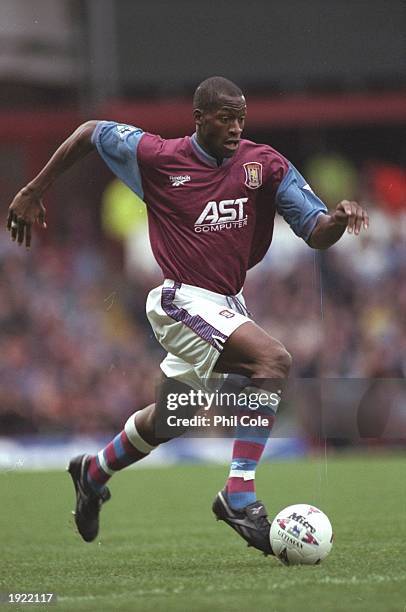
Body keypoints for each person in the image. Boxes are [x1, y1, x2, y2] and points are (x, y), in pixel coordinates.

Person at [6, 76, 368, 557]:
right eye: (225, 118)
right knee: (273, 362)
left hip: (226, 302)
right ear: (199, 119)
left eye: (241, 117)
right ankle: (238, 496)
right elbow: (91, 130)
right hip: (180, 299)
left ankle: (92, 472)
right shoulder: (157, 157)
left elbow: (316, 231)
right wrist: (34, 189)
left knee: (173, 418)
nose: (236, 127)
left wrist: (338, 221)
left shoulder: (265, 166)